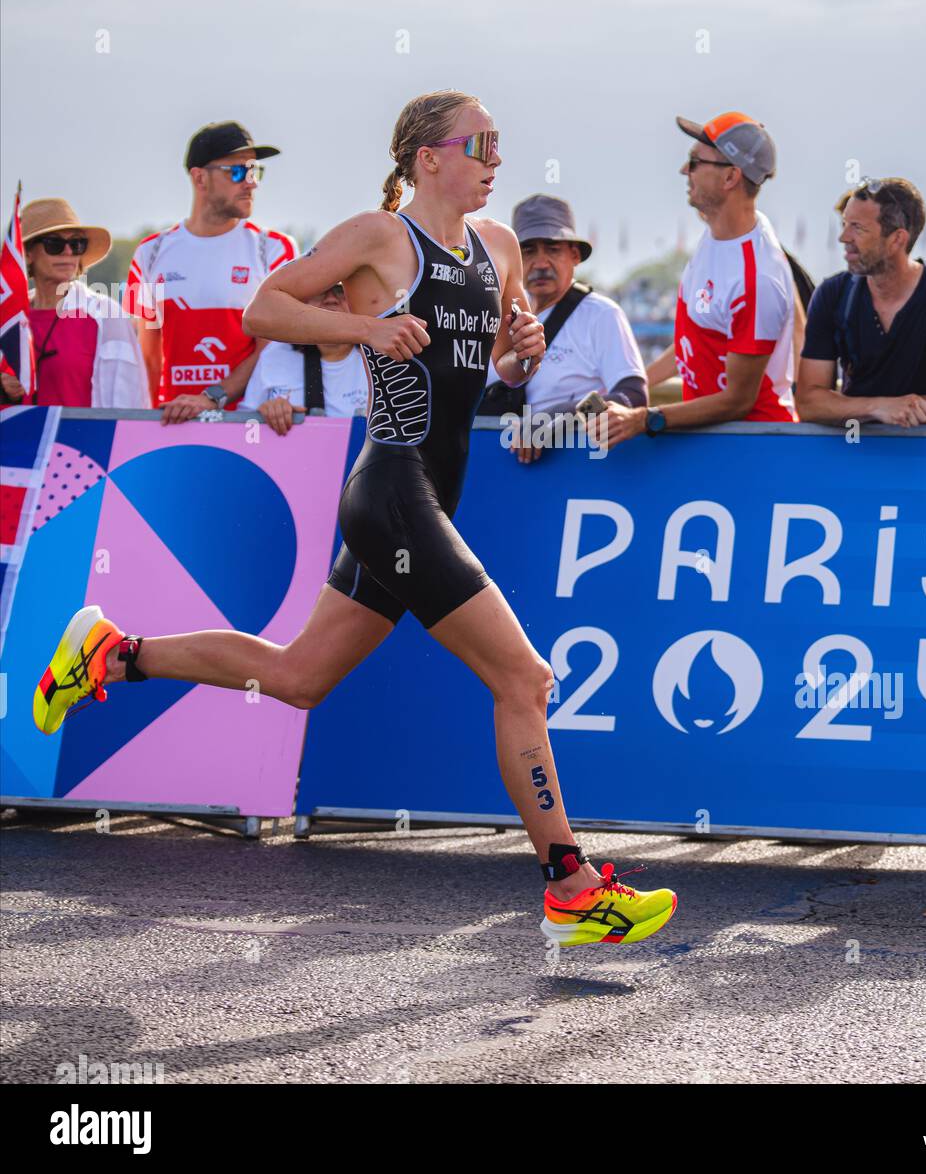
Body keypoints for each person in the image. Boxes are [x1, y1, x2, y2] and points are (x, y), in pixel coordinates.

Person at [33, 89, 676, 948]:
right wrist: (367, 329)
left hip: (433, 493)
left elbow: (492, 366)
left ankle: (115, 653)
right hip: (392, 491)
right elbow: (265, 309)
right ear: (428, 159)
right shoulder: (380, 237)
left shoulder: (498, 246)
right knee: (523, 680)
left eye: (499, 145)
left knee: (299, 676)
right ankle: (572, 886)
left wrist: (520, 358)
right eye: (479, 145)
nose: (494, 161)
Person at [605, 110, 798, 448]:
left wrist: (645, 418)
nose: (684, 170)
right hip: (716, 440)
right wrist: (632, 386)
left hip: (756, 449)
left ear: (730, 177)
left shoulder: (758, 278)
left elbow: (737, 401)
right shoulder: (720, 233)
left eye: (695, 162)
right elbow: (691, 343)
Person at [122, 121, 296, 424]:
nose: (251, 183)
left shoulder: (274, 248)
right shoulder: (149, 252)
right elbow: (146, 358)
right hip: (173, 423)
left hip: (245, 426)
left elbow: (272, 351)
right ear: (199, 178)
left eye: (254, 171)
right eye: (238, 172)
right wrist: (146, 424)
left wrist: (211, 397)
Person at [796, 178, 926, 427]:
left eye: (857, 228)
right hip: (858, 448)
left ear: (897, 239)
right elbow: (808, 403)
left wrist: (867, 409)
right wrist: (877, 408)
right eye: (844, 224)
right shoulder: (832, 294)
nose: (843, 237)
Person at [486, 194, 646, 463]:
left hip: (571, 471)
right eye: (528, 251)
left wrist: (566, 413)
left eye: (552, 249)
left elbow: (633, 397)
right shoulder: (497, 315)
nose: (541, 263)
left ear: (574, 256)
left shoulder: (600, 315)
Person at [0, 198, 149, 409]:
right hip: (20, 432)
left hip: (82, 432)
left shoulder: (105, 314)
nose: (68, 252)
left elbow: (129, 402)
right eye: (54, 244)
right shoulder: (7, 318)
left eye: (77, 244)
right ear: (28, 254)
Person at [241, 282, 368, 434]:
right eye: (319, 291)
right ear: (301, 303)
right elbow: (243, 423)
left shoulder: (377, 358)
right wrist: (265, 413)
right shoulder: (276, 352)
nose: (331, 299)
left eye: (341, 291)